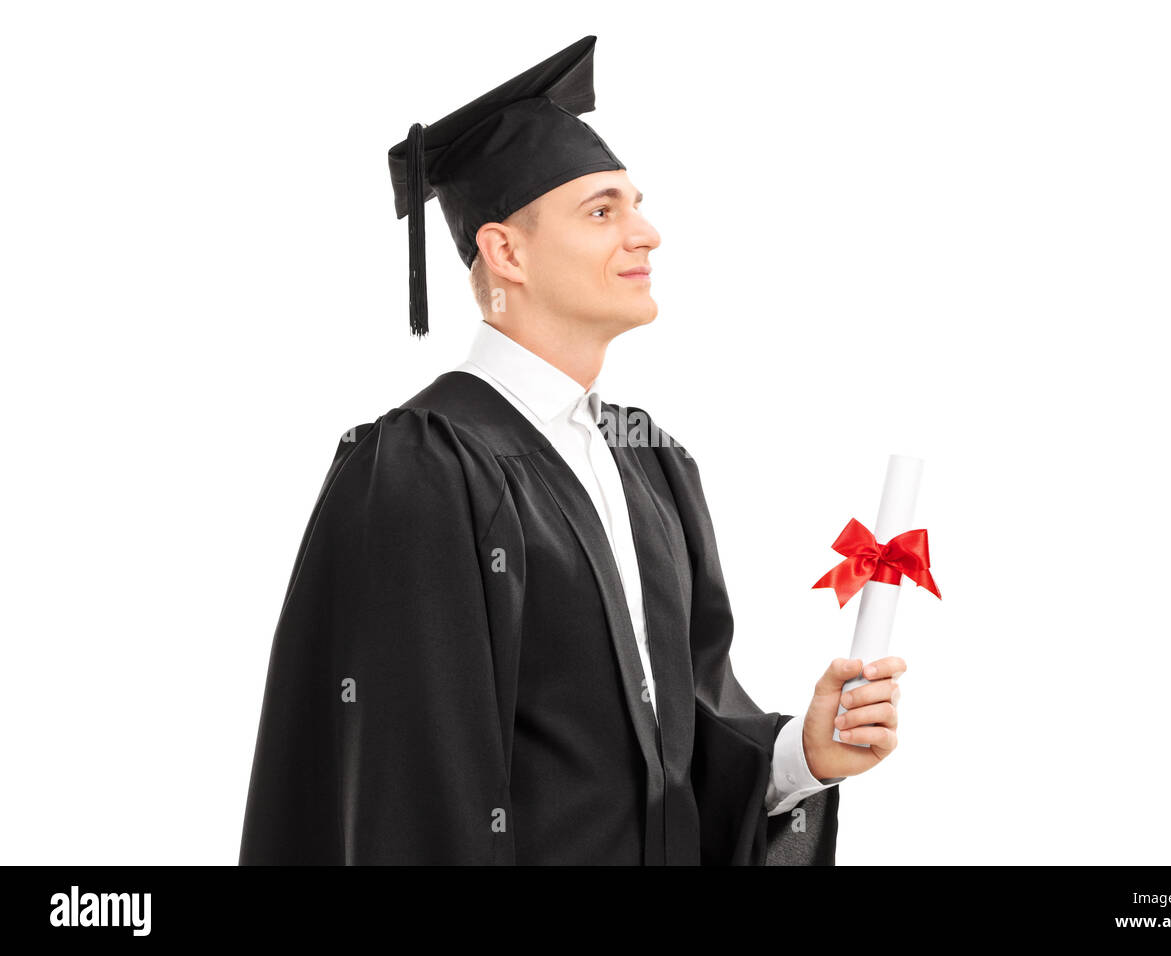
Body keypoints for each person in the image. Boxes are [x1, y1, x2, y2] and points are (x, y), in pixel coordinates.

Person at [238, 35, 906, 866]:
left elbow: (681, 752)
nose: (648, 233)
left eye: (638, 204)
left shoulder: (650, 462)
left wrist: (796, 761)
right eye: (603, 210)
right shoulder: (424, 468)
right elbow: (409, 796)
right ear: (505, 252)